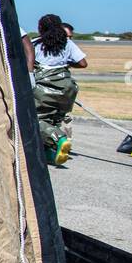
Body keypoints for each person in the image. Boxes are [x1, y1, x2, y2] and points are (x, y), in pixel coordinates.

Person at [22, 13, 87, 165]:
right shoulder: (67, 44)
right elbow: (83, 63)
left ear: (41, 28)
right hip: (66, 89)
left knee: (36, 120)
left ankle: (59, 138)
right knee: (55, 120)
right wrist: (66, 64)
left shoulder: (35, 44)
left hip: (44, 90)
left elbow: (27, 61)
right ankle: (50, 154)